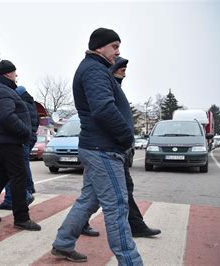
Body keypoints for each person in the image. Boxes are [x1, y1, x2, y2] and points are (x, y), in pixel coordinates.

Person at [51, 28, 142, 264]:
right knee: (117, 208)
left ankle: (63, 243)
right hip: (103, 149)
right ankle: (131, 262)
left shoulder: (96, 69)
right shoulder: (94, 70)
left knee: (88, 200)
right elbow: (103, 109)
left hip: (97, 147)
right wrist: (126, 138)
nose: (118, 52)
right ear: (100, 46)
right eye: (114, 46)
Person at [81, 57, 161, 239]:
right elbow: (105, 114)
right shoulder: (105, 86)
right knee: (113, 194)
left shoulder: (114, 86)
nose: (125, 71)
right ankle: (134, 228)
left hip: (112, 147)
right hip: (106, 148)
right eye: (121, 68)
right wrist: (125, 138)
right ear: (113, 69)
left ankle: (72, 231)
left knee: (92, 194)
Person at [0, 60, 41, 231]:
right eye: (14, 72)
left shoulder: (1, 88)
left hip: (5, 140)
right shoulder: (2, 90)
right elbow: (7, 116)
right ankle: (21, 218)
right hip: (10, 140)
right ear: (7, 73)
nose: (16, 75)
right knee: (18, 177)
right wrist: (25, 131)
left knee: (3, 174)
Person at [0, 85, 38, 210]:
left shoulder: (20, 103)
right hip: (28, 138)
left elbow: (13, 120)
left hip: (20, 139)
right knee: (19, 168)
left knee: (13, 170)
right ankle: (21, 194)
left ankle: (22, 195)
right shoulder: (30, 103)